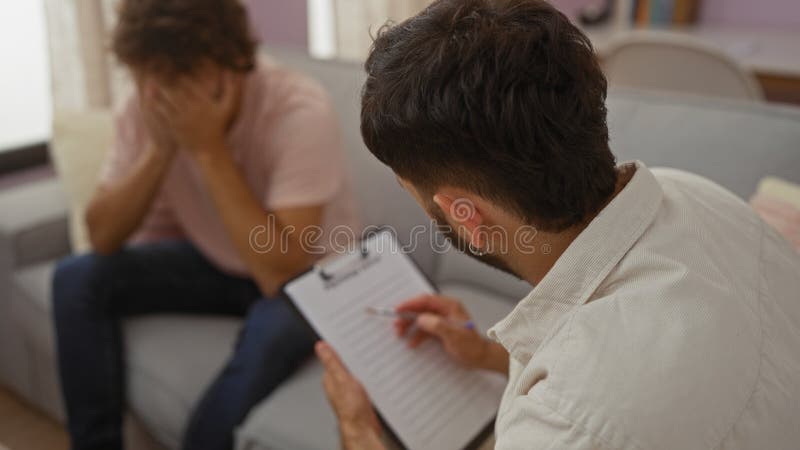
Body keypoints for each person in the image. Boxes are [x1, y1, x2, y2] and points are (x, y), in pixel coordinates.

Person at [315, 0, 800, 449]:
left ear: (467, 215)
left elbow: (603, 400)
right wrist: (488, 355)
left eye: (414, 195)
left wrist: (359, 432)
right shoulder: (697, 193)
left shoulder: (568, 425)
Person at [51, 0, 358, 449]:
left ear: (229, 66)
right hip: (216, 260)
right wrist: (159, 150)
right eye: (145, 76)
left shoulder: (298, 108)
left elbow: (279, 271)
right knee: (78, 278)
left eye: (174, 79)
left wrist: (208, 149)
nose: (156, 94)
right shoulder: (143, 105)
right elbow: (102, 237)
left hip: (309, 276)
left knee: (270, 334)